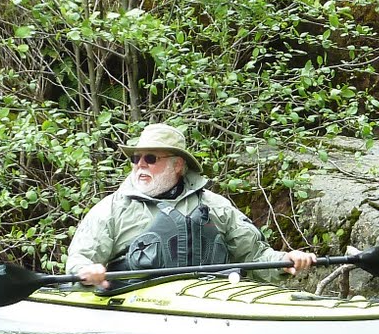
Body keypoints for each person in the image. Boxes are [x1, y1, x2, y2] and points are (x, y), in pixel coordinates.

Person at [65, 122, 315, 287]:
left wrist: (285, 260)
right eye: (136, 158)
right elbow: (79, 261)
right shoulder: (111, 210)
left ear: (178, 165)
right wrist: (87, 272)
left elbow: (256, 256)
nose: (140, 164)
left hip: (209, 302)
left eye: (151, 158)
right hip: (135, 305)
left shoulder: (216, 207)